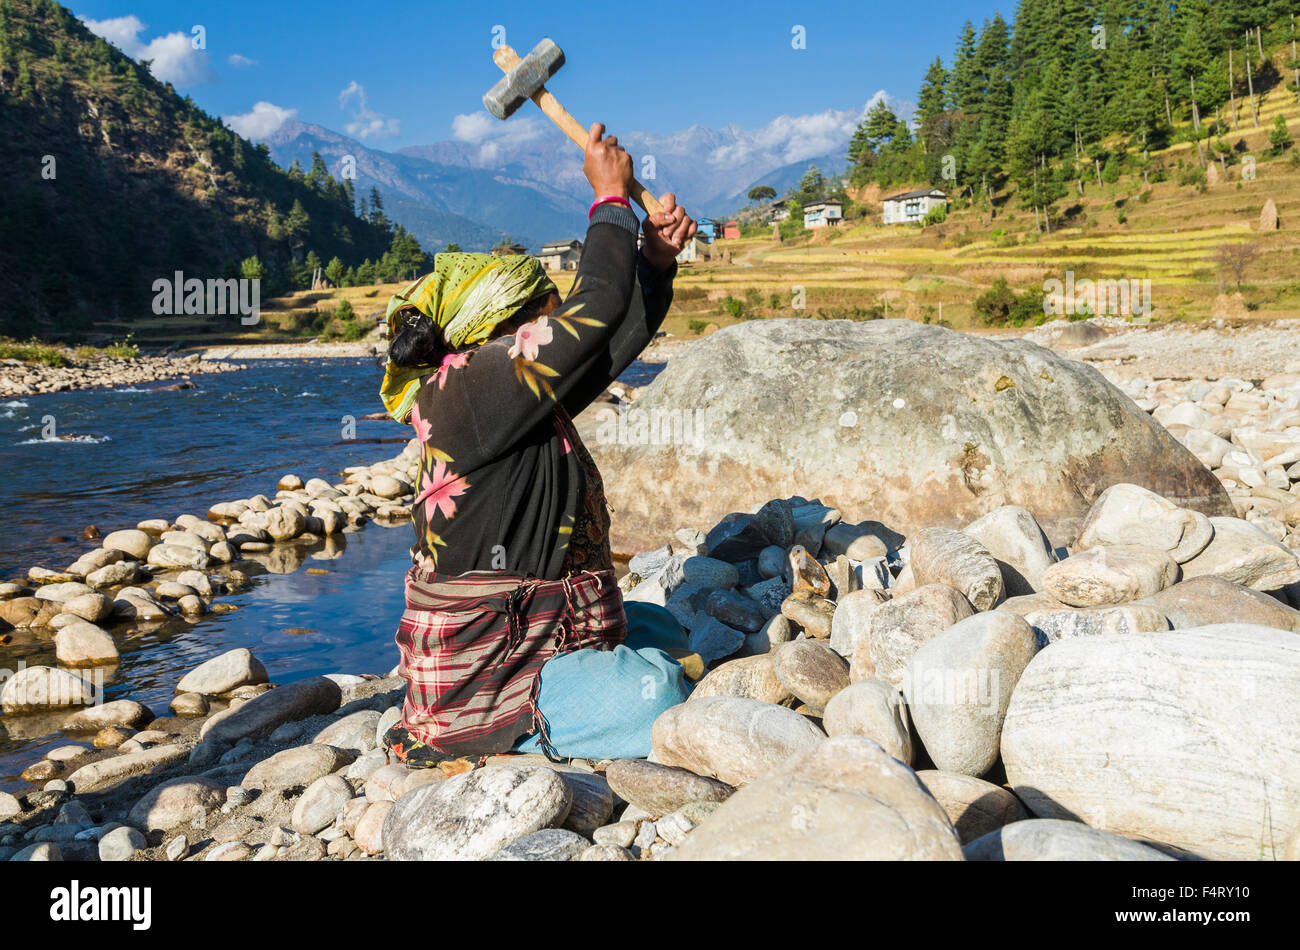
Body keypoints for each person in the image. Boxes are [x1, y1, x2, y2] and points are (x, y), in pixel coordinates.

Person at [378, 122, 698, 767]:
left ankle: (574, 687)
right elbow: (597, 307)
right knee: (657, 690)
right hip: (486, 673)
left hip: (529, 631)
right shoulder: (469, 389)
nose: (560, 323)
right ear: (501, 331)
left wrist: (655, 262)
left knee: (662, 628)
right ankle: (492, 733)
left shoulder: (506, 392)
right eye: (547, 313)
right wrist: (610, 199)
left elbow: (608, 346)